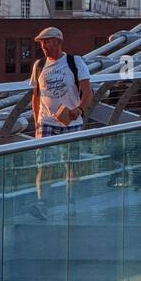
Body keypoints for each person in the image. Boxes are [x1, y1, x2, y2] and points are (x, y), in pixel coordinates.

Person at [29, 26, 93, 220]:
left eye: (46, 41)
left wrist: (79, 109)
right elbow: (35, 96)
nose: (43, 46)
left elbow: (87, 90)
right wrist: (36, 122)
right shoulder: (39, 65)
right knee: (45, 165)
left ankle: (70, 202)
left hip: (71, 123)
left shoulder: (75, 62)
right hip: (46, 122)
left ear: (58, 41)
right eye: (41, 43)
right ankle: (42, 204)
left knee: (71, 165)